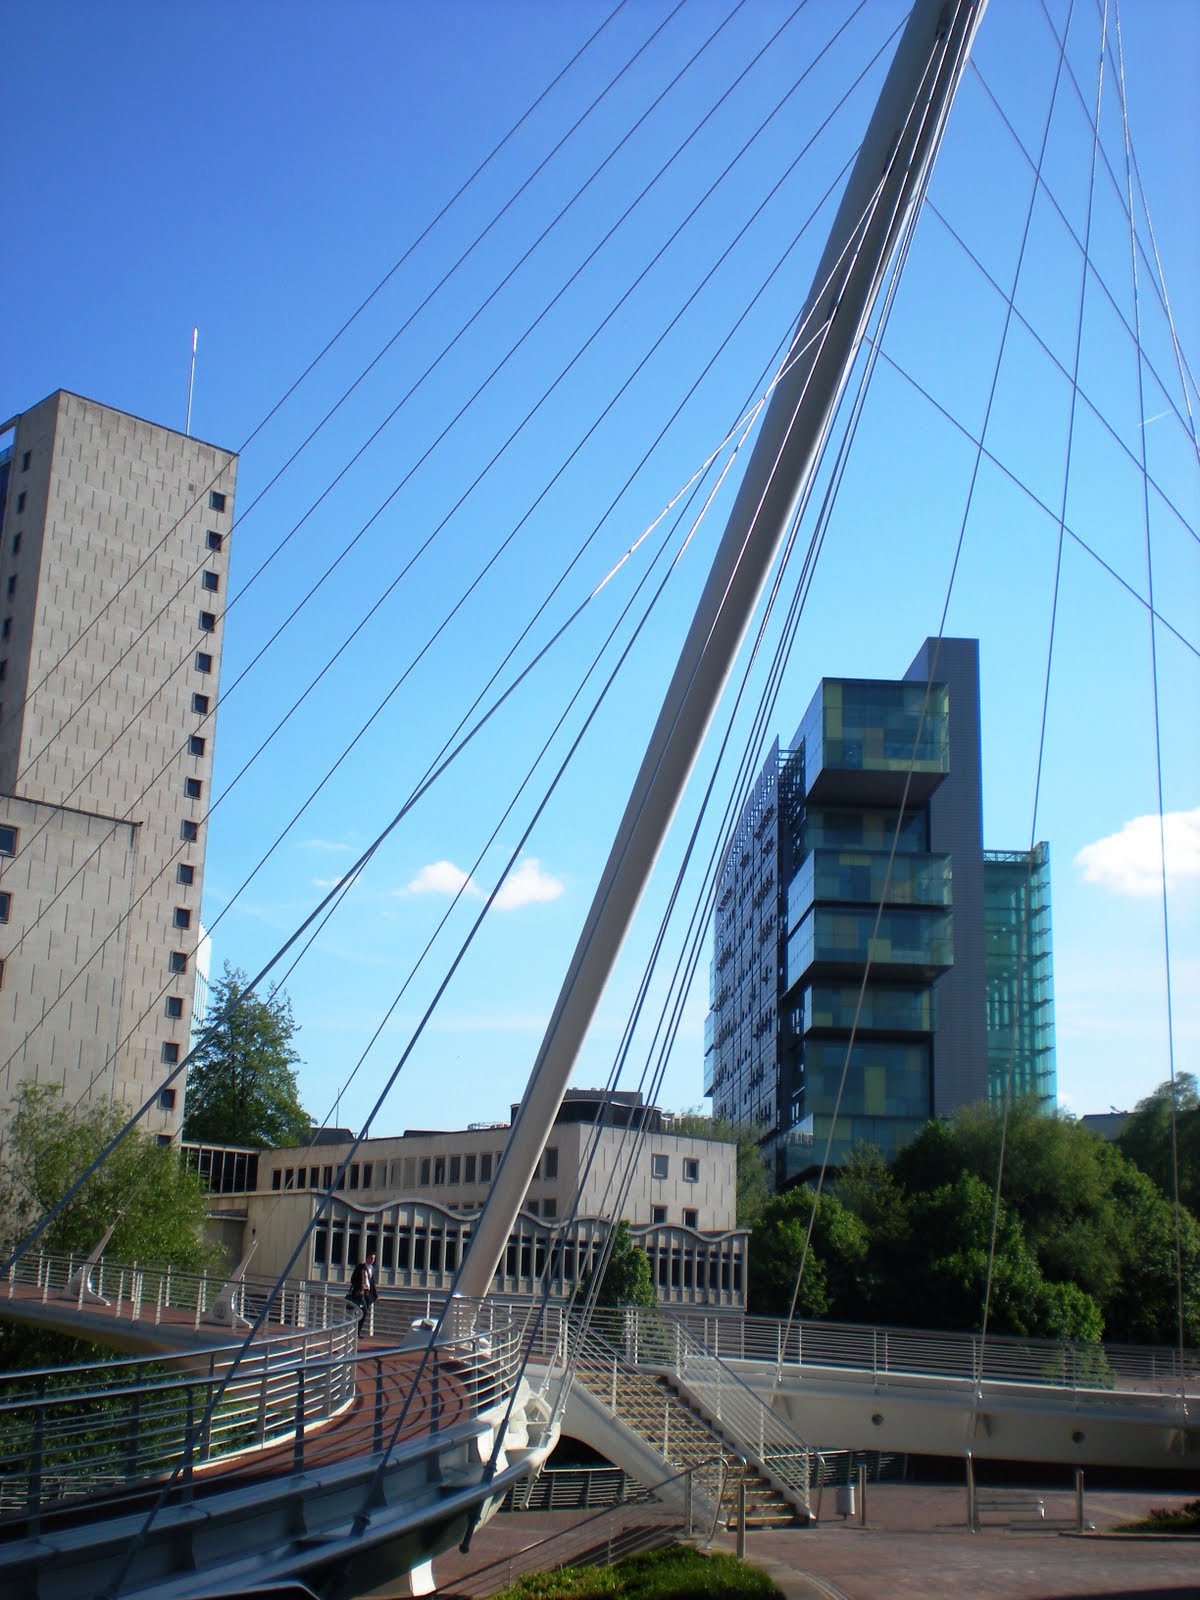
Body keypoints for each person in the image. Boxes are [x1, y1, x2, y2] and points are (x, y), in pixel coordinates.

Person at [346, 1251, 378, 1334]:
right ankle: (355, 1331)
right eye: (371, 1258)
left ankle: (357, 1331)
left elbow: (372, 1282)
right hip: (360, 1292)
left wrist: (375, 1294)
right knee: (363, 1311)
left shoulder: (371, 1269)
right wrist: (359, 1289)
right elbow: (353, 1279)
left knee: (364, 1312)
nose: (372, 1260)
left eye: (373, 1258)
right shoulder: (360, 1267)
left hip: (367, 1292)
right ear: (367, 1258)